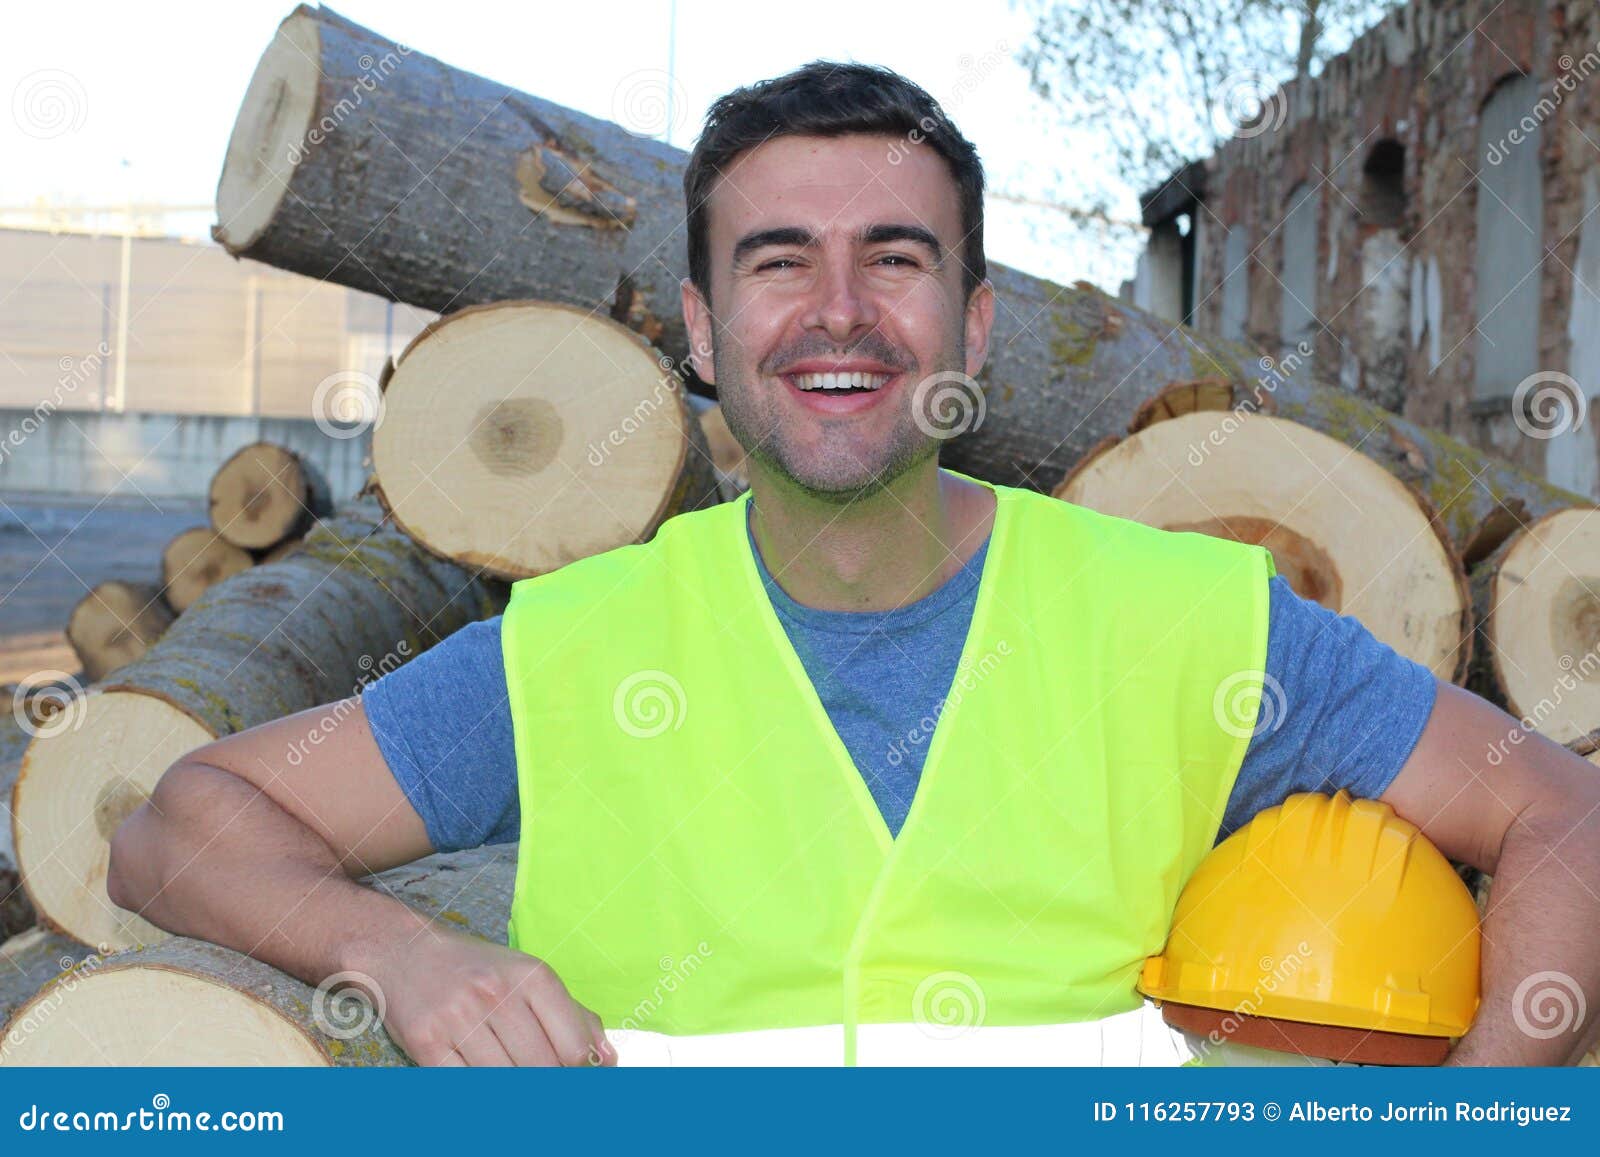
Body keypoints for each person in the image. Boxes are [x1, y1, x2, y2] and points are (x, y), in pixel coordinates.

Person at [109, 62, 1600, 1067]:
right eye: (776, 263)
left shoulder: (1196, 625)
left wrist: (1483, 1110)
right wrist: (398, 950)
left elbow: (1560, 806)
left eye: (894, 258)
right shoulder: (568, 652)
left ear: (973, 327)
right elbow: (179, 819)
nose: (839, 312)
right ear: (701, 330)